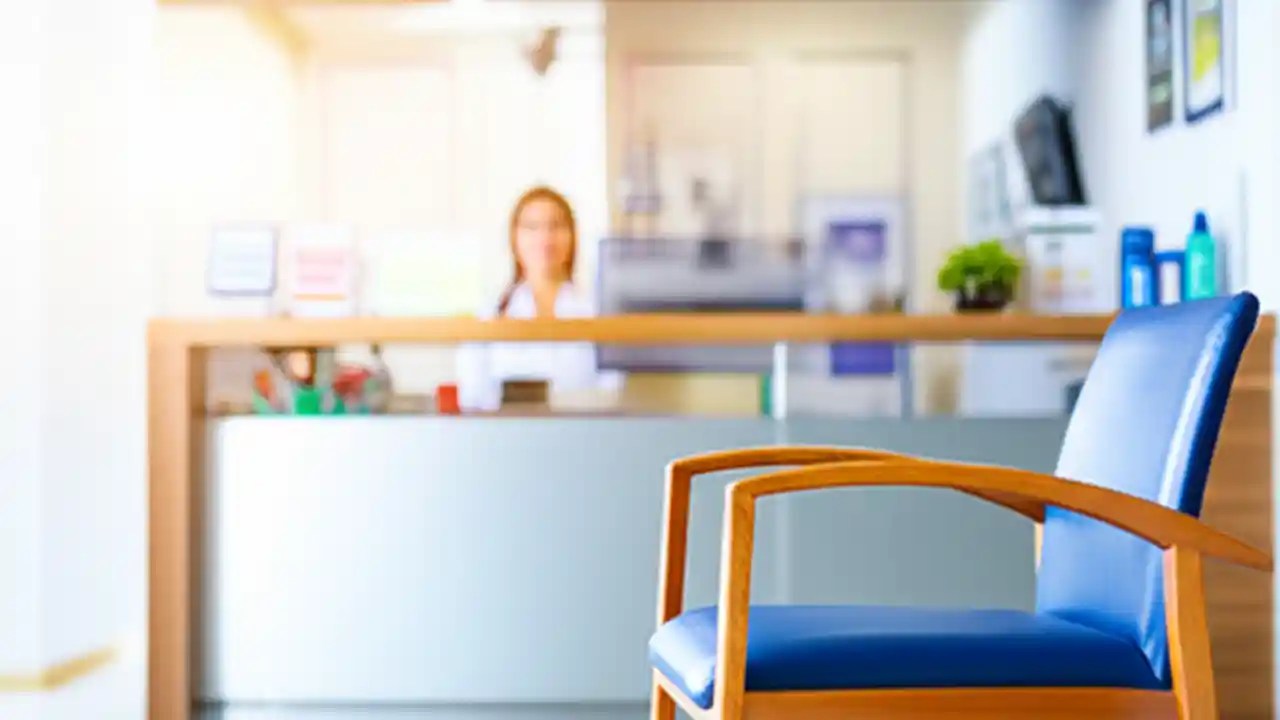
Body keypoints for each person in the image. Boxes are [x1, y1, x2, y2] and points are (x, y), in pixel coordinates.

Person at [457, 186, 615, 412]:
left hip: (583, 435)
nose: (545, 238)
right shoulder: (491, 311)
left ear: (573, 235)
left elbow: (613, 392)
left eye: (556, 226)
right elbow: (472, 394)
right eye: (532, 227)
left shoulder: (596, 310)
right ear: (514, 237)